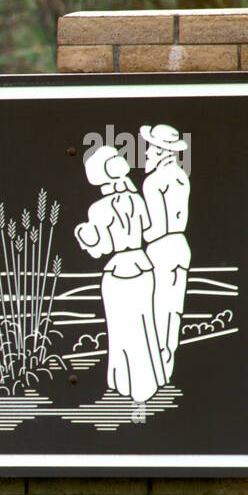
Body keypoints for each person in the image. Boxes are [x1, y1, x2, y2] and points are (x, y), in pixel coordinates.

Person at [74, 145, 165, 403]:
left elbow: (100, 248)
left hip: (118, 272)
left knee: (122, 328)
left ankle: (125, 381)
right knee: (144, 325)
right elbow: (147, 229)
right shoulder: (136, 199)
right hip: (143, 267)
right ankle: (149, 381)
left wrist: (83, 235)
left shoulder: (98, 209)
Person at [138, 124, 191, 383]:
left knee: (158, 309)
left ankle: (157, 372)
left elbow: (156, 228)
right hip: (181, 246)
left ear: (161, 151)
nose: (146, 153)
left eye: (150, 148)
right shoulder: (182, 177)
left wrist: (136, 230)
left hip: (161, 248)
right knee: (174, 310)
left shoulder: (153, 182)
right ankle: (168, 366)